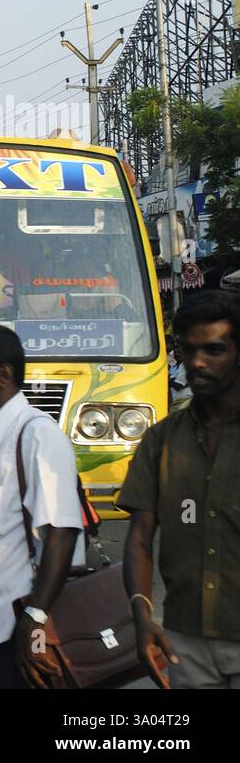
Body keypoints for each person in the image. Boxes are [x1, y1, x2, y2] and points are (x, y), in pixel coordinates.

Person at [0, 325, 84, 689]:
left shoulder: (37, 436)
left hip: (21, 628)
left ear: (4, 374)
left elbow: (62, 533)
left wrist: (34, 617)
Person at [120, 290, 240, 688]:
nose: (198, 362)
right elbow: (139, 536)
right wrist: (141, 613)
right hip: (185, 639)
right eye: (188, 351)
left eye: (214, 350)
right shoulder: (161, 441)